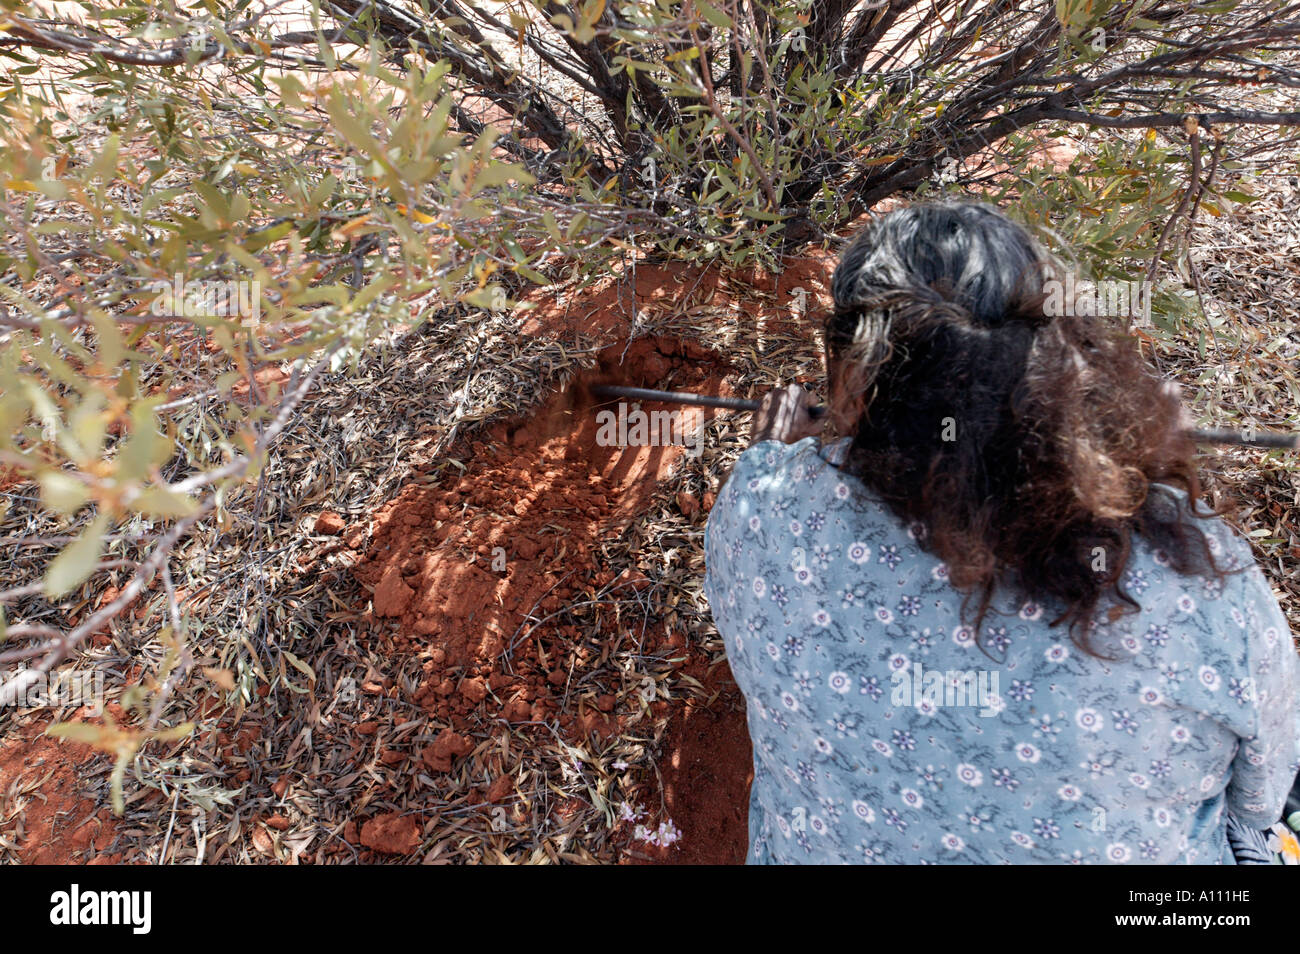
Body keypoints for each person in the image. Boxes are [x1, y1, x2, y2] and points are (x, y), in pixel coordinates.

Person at [703, 201, 1300, 864]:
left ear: (849, 380)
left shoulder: (760, 506)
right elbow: (1258, 801)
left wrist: (779, 455)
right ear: (1064, 357)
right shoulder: (1192, 568)